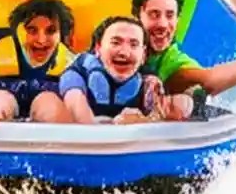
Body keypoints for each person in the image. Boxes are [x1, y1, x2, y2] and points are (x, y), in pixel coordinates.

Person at [57, 16, 193, 124]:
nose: (124, 52)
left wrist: (147, 121)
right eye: (116, 42)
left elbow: (181, 108)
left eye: (134, 45)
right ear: (98, 48)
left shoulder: (148, 87)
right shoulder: (78, 73)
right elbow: (75, 105)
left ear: (143, 55)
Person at [0, 0, 76, 122]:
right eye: (32, 30)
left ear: (61, 35)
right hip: (3, 103)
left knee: (50, 106)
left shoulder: (72, 66)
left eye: (51, 31)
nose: (41, 40)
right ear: (17, 32)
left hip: (49, 110)